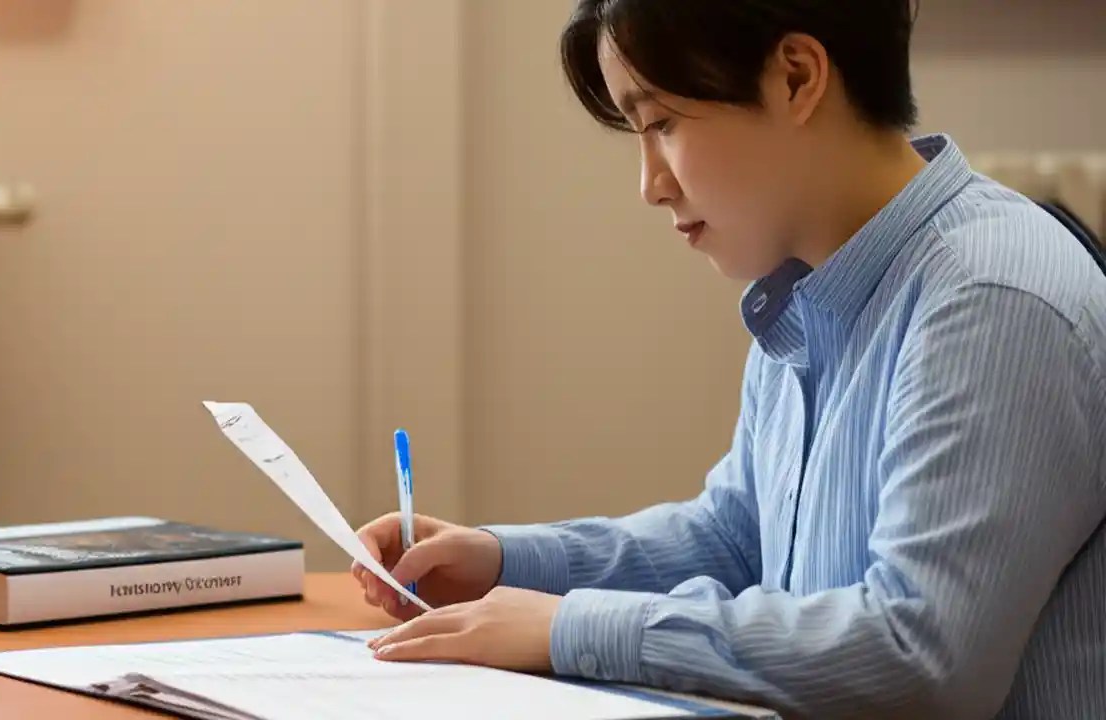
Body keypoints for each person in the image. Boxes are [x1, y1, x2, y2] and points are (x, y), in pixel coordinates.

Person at [352, 1, 1106, 718]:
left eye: (664, 125)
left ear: (797, 78)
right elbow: (736, 540)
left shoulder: (990, 296)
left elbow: (920, 655)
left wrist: (564, 629)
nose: (651, 184)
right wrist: (500, 563)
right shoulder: (810, 287)